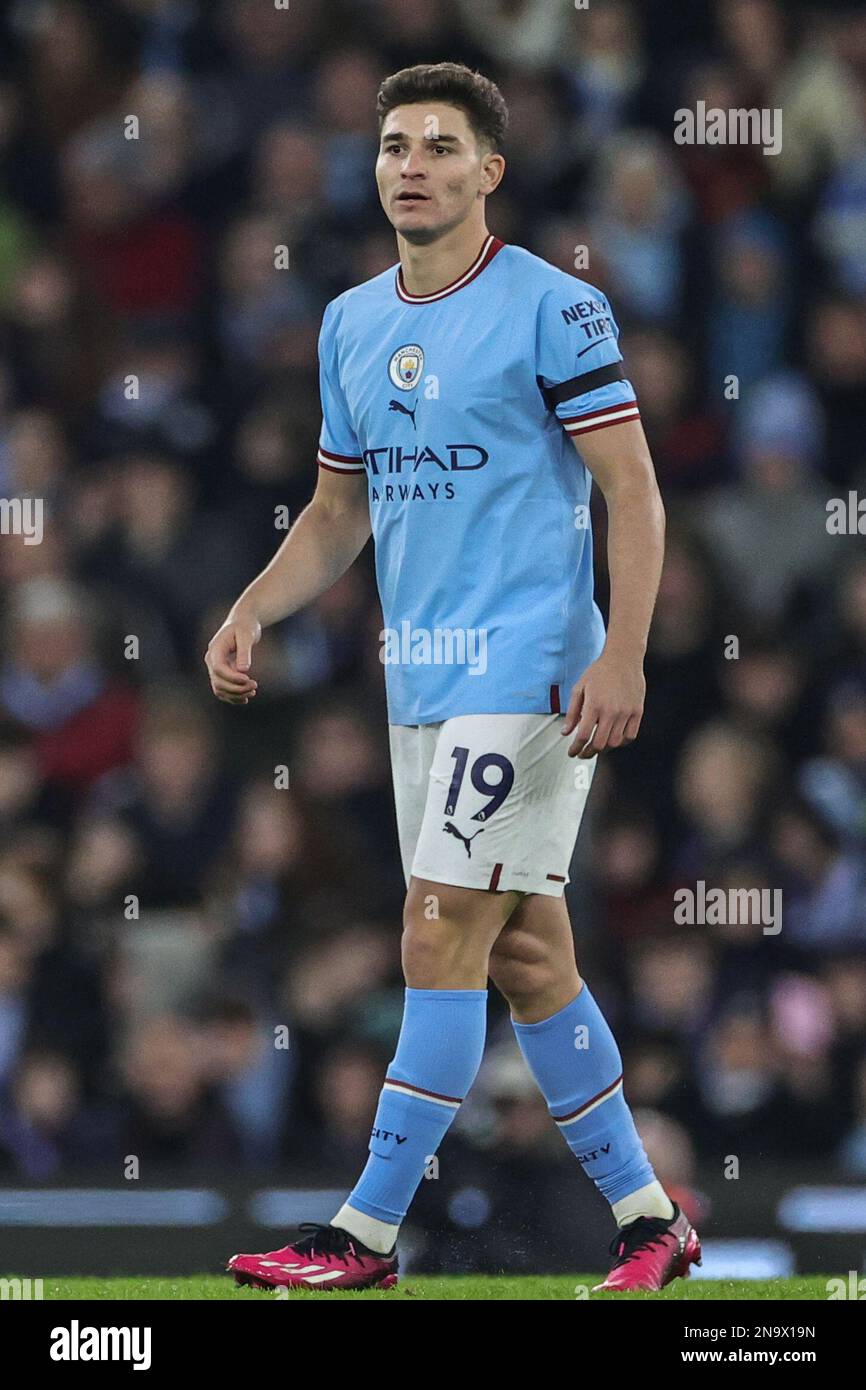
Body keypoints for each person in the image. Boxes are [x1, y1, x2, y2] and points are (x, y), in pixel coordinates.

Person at [205, 62, 699, 1293]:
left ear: (490, 171)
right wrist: (253, 608)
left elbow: (630, 488)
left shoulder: (554, 308)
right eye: (390, 145)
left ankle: (361, 1234)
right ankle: (652, 1222)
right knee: (527, 957)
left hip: (530, 671)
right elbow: (336, 509)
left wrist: (621, 648)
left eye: (438, 144)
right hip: (417, 679)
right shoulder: (350, 323)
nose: (408, 163)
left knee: (436, 933)